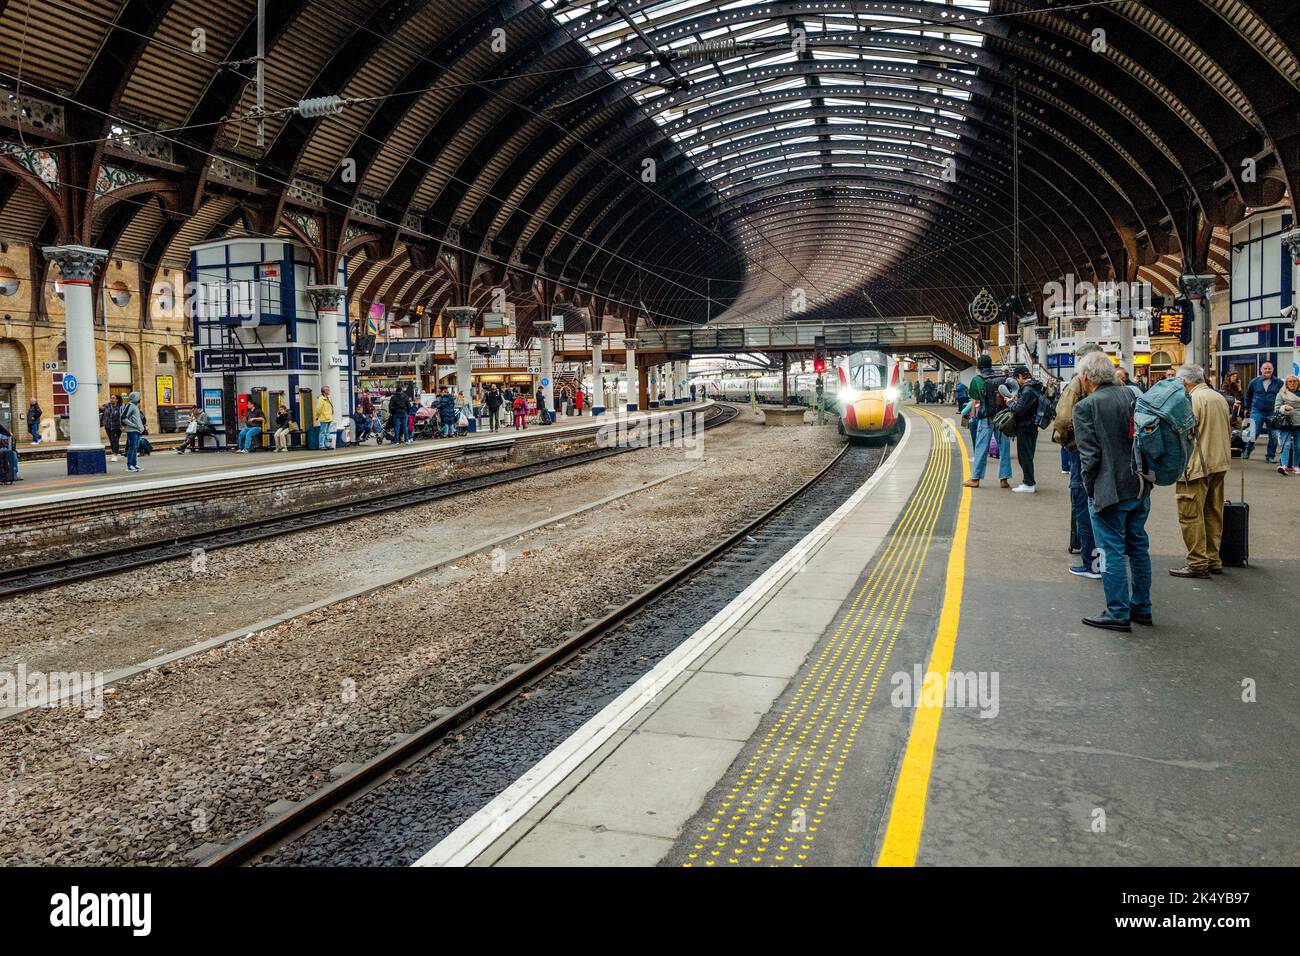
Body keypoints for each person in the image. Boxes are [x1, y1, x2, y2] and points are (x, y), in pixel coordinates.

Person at [1072, 351, 1151, 632]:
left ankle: (1117, 611)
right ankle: (1142, 606)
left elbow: (1089, 457)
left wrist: (1090, 490)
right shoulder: (1132, 396)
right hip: (1139, 485)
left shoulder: (1086, 407)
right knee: (1138, 547)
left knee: (1111, 551)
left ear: (1087, 377)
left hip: (1109, 489)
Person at [1168, 363, 1231, 579]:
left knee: (1190, 515)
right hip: (1219, 462)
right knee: (1213, 512)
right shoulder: (1218, 397)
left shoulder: (1192, 399)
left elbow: (1185, 433)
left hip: (1196, 465)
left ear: (1184, 382)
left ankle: (1197, 562)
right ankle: (1213, 559)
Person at [1053, 343, 1104, 577]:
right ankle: (1106, 559)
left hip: (1082, 453)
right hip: (1110, 455)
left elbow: (1063, 419)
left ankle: (1091, 563)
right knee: (1104, 506)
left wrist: (1065, 441)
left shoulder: (1078, 382)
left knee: (1083, 505)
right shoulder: (1117, 384)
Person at [962, 354, 1012, 489]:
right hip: (1002, 418)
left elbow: (975, 400)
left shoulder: (977, 380)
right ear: (991, 366)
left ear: (978, 367)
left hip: (986, 418)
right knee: (1005, 447)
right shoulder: (1001, 378)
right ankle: (1004, 479)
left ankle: (975, 479)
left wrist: (971, 415)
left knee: (981, 448)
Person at [1009, 365, 1042, 493]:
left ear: (1021, 376)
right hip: (1032, 425)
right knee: (1027, 454)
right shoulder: (1036, 387)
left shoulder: (1028, 390)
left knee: (1024, 456)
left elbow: (1019, 409)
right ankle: (1028, 481)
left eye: (1017, 379)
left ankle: (1028, 483)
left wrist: (1010, 403)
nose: (1017, 382)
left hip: (1025, 426)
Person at [1243, 362, 1283, 461]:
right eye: (1265, 368)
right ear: (1261, 369)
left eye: (1269, 368)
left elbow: (1283, 396)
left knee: (1273, 435)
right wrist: (1246, 408)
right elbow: (1248, 395)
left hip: (1273, 411)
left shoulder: (1279, 383)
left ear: (1273, 369)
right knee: (1253, 432)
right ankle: (1247, 450)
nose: (1267, 370)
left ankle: (1270, 456)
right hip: (1257, 410)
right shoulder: (1254, 382)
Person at [1273, 375, 1300, 475]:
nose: (1292, 383)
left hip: (1299, 423)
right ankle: (1284, 466)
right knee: (1286, 445)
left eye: (1294, 381)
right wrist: (1284, 407)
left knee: (1298, 446)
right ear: (1286, 383)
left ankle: (1296, 466)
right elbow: (1276, 408)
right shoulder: (1281, 394)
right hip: (1286, 422)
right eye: (1290, 381)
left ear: (1298, 383)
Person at [120, 391, 146, 473]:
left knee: (135, 448)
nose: (139, 399)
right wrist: (133, 425)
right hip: (132, 431)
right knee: (132, 447)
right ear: (135, 397)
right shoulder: (130, 405)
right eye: (138, 397)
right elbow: (123, 417)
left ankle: (134, 464)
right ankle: (130, 465)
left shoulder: (135, 406)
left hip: (137, 430)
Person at [101, 395, 123, 462]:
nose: (111, 399)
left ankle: (115, 454)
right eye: (111, 398)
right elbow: (101, 410)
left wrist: (123, 425)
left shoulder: (120, 408)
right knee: (111, 440)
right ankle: (114, 452)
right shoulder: (107, 406)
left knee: (115, 440)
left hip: (117, 426)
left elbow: (123, 417)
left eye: (113, 398)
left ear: (117, 400)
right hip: (108, 426)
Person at [314, 385, 334, 450]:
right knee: (323, 432)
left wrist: (332, 414)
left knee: (327, 432)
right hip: (324, 418)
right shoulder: (321, 399)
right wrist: (317, 416)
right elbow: (318, 409)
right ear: (324, 391)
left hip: (329, 417)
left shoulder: (328, 398)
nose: (329, 391)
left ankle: (327, 444)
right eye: (328, 390)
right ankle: (321, 445)